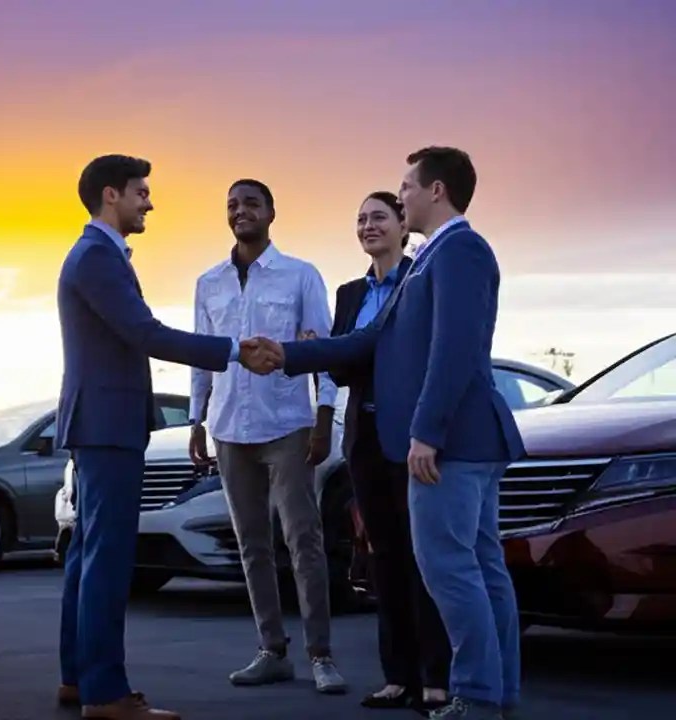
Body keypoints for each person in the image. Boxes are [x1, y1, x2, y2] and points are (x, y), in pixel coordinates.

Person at [241, 146, 525, 720]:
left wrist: (428, 432)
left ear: (437, 191)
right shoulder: (426, 260)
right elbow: (369, 342)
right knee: (480, 568)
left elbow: (456, 349)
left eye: (408, 187)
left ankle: (475, 695)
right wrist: (289, 354)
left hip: (454, 445)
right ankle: (497, 692)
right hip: (459, 442)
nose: (402, 197)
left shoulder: (461, 251)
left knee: (451, 569)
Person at [55, 154, 255, 720]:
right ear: (110, 195)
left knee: (89, 556)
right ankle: (106, 693)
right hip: (107, 426)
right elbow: (145, 333)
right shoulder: (97, 257)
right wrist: (235, 350)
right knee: (107, 559)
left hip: (101, 424)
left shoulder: (99, 255)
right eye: (141, 192)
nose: (149, 201)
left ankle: (78, 678)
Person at [188, 179, 345, 694]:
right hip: (230, 428)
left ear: (271, 212)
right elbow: (203, 358)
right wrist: (196, 420)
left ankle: (321, 654)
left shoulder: (300, 276)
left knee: (304, 540)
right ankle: (272, 650)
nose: (240, 211)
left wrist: (323, 419)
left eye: (251, 203)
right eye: (231, 204)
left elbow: (321, 351)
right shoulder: (208, 283)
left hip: (287, 426)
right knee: (251, 544)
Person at [330, 191, 451, 712]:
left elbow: (411, 356)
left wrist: (361, 352)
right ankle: (396, 676)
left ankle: (436, 678)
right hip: (363, 436)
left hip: (411, 438)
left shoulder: (418, 280)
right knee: (382, 556)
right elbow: (339, 366)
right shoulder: (350, 293)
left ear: (404, 225)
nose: (367, 226)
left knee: (421, 558)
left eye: (378, 216)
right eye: (360, 219)